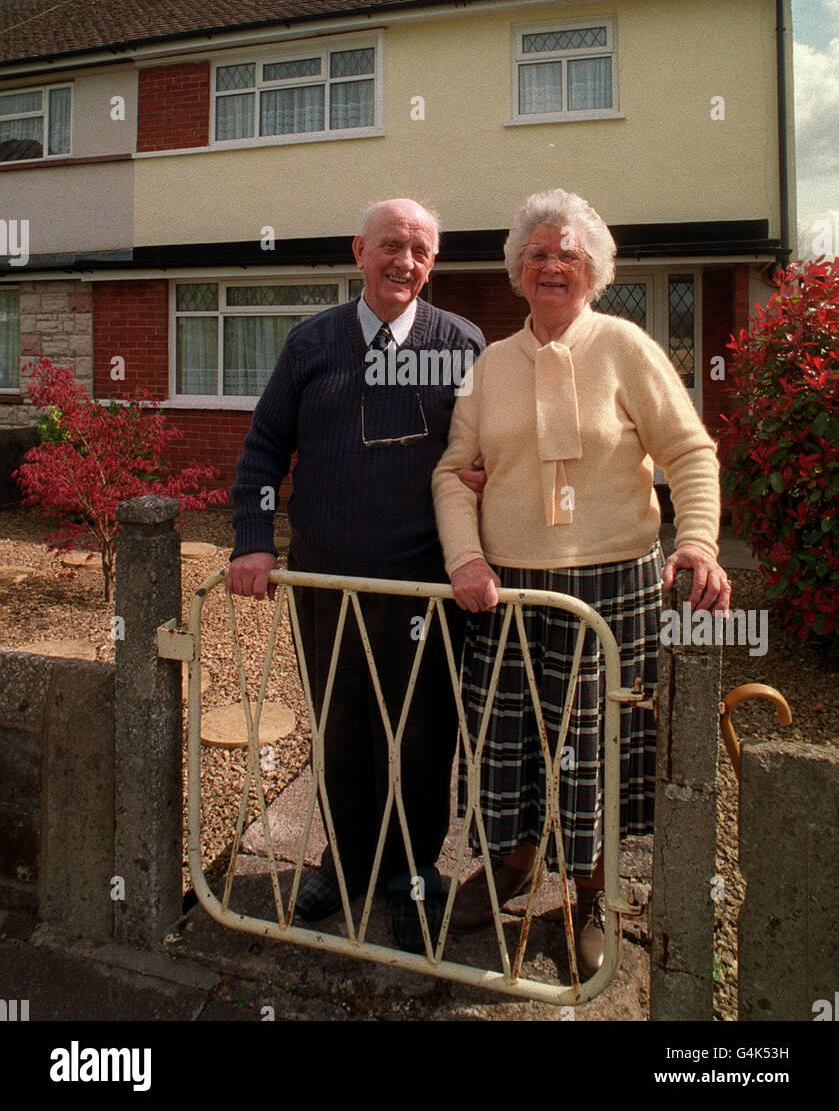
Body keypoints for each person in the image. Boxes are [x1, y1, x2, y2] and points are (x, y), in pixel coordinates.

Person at [431, 188, 729, 979]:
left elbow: (690, 452)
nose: (552, 264)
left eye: (568, 253)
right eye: (537, 253)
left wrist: (696, 541)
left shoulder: (626, 346)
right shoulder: (489, 364)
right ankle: (511, 864)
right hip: (507, 593)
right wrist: (465, 557)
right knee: (509, 738)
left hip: (614, 588)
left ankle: (591, 892)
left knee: (598, 747)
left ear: (592, 269)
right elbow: (452, 473)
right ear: (517, 272)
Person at [226, 198, 485, 952]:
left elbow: (487, 453)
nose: (405, 261)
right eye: (391, 246)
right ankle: (345, 862)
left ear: (432, 263)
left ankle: (411, 873)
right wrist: (253, 539)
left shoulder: (462, 343)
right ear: (359, 252)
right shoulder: (312, 343)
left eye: (420, 249)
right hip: (327, 583)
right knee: (340, 732)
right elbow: (263, 449)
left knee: (420, 736)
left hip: (423, 590)